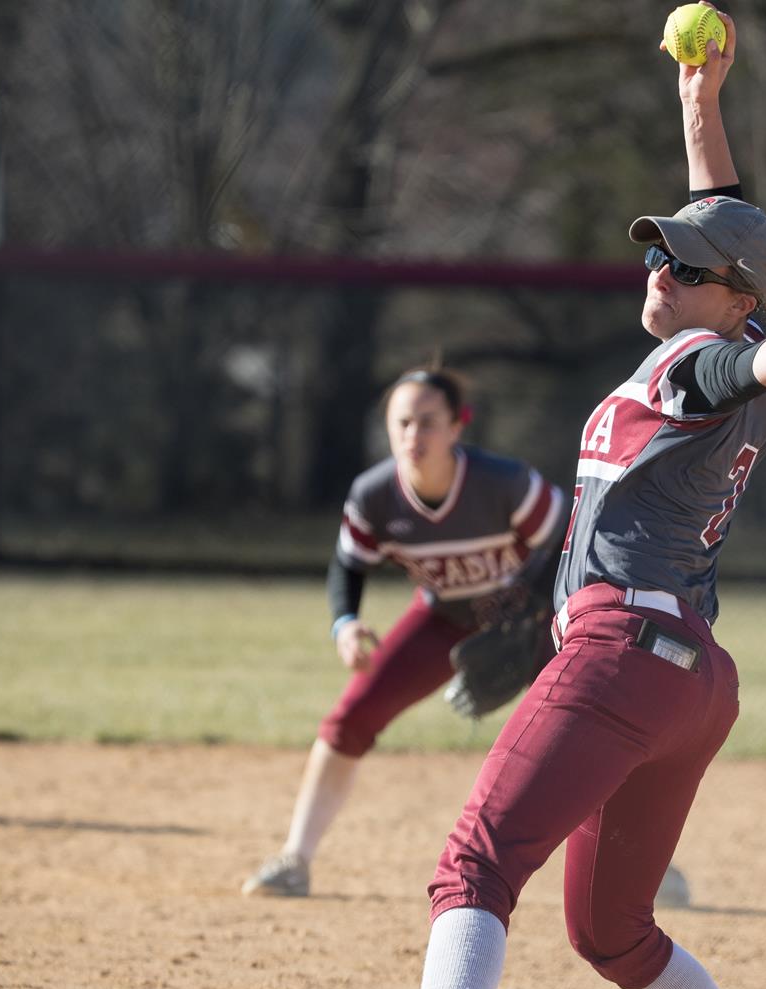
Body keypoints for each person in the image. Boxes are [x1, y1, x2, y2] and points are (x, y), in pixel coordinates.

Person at [354, 12, 766, 989]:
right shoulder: (698, 329)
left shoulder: (706, 364)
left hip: (620, 658)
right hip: (688, 677)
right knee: (611, 932)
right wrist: (698, 111)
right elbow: (733, 265)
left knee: (472, 863)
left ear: (735, 298)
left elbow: (750, 360)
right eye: (654, 250)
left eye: (684, 265)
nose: (659, 267)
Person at [239, 367, 572, 900]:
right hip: (445, 620)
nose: (414, 436)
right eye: (402, 423)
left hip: (536, 619)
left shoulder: (501, 483)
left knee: (583, 734)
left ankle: (651, 869)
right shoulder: (375, 497)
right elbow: (348, 565)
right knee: (349, 719)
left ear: (457, 427)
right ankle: (294, 859)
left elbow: (572, 539)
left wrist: (539, 613)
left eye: (427, 423)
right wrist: (345, 623)